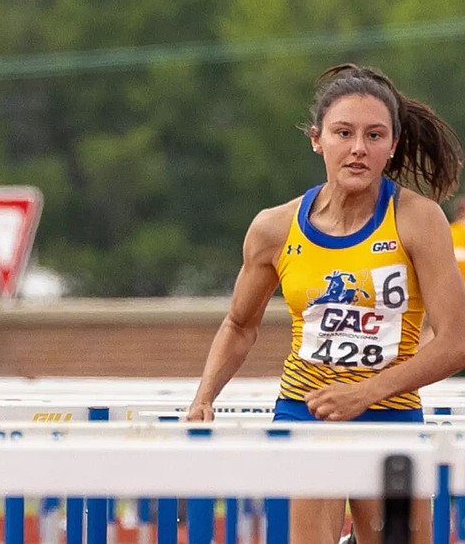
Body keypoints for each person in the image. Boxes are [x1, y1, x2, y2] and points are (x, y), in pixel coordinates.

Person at [186, 64, 465, 544]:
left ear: (393, 144)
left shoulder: (419, 220)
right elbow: (238, 323)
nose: (358, 148)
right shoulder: (274, 228)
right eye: (344, 133)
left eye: (374, 135)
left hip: (391, 414)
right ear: (317, 139)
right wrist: (204, 396)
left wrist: (366, 393)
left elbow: (456, 343)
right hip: (306, 411)